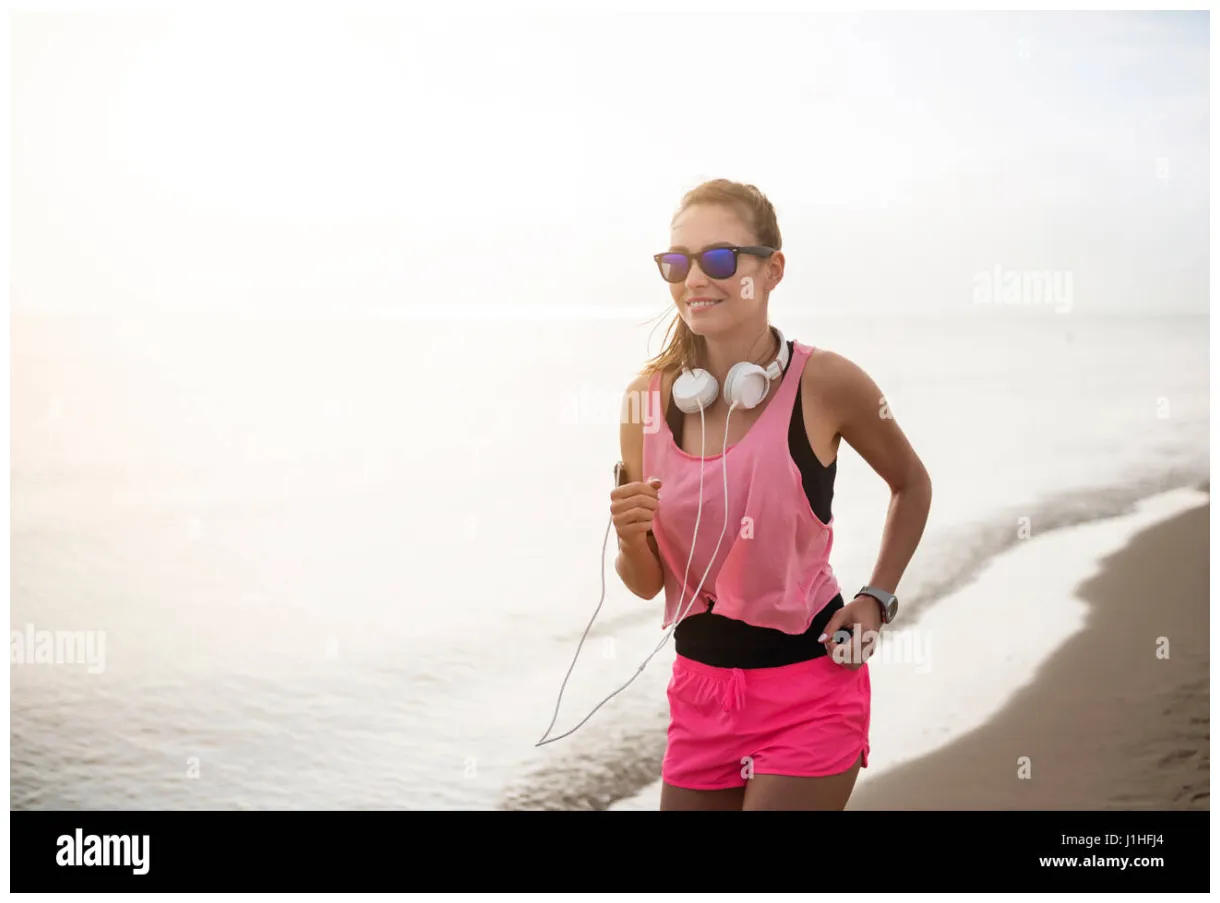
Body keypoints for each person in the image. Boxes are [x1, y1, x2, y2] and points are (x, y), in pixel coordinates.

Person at [611, 178, 932, 811]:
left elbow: (911, 483)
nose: (695, 278)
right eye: (677, 262)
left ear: (772, 268)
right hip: (698, 692)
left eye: (721, 259)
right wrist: (629, 539)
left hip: (811, 687)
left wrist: (877, 598)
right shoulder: (645, 401)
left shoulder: (828, 382)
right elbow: (647, 583)